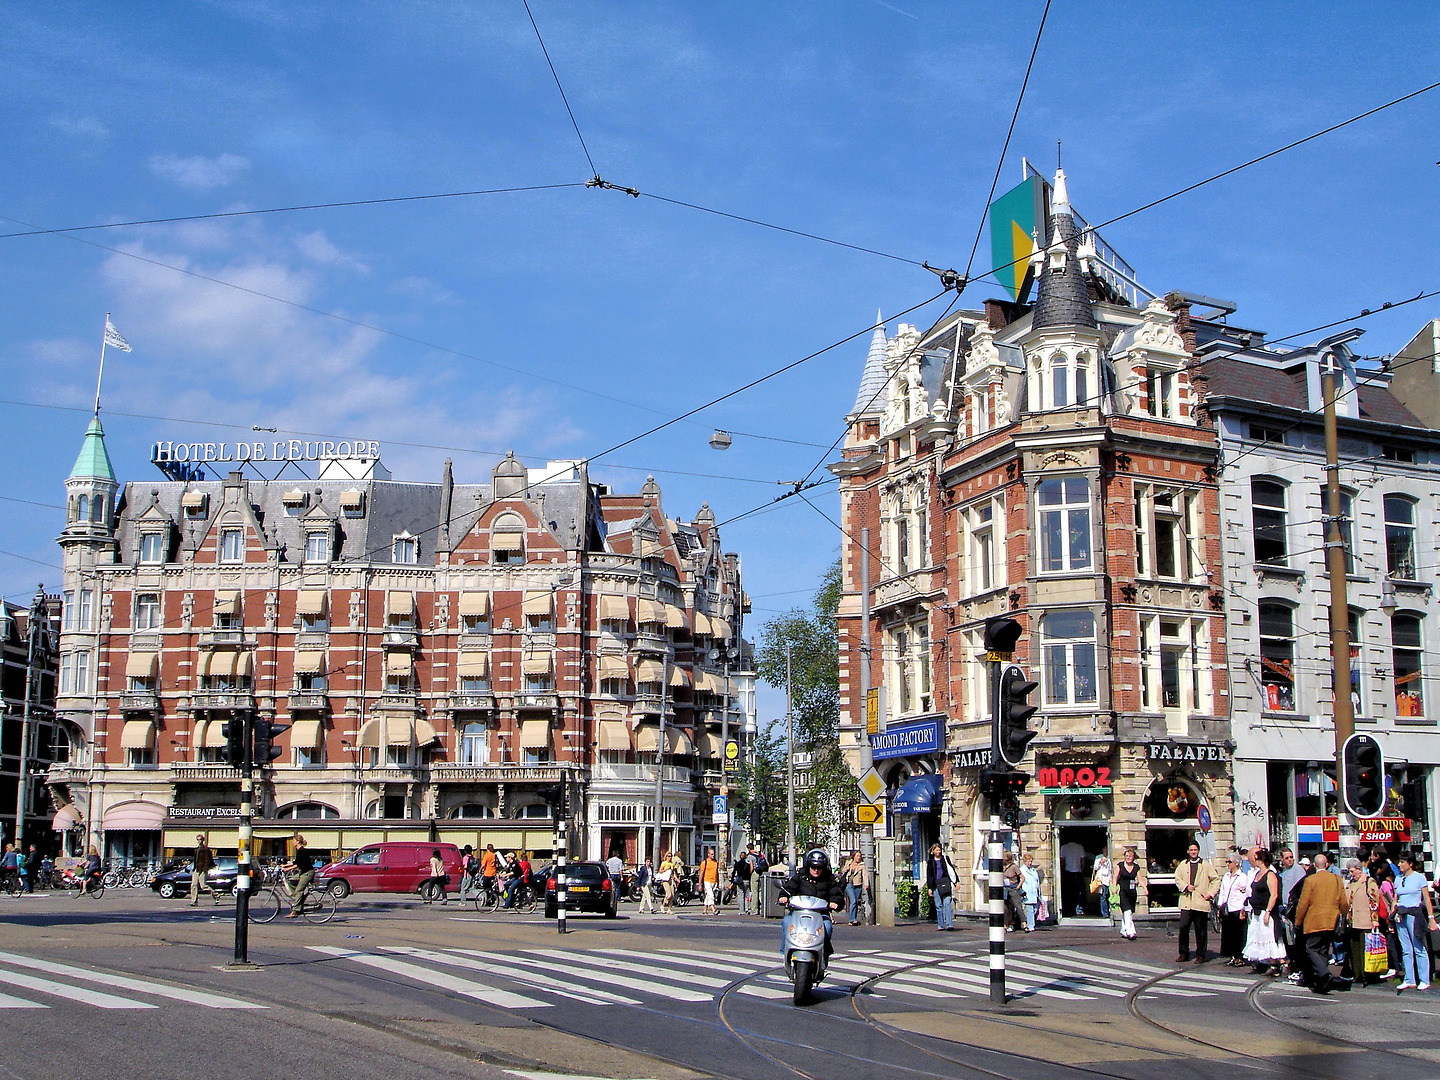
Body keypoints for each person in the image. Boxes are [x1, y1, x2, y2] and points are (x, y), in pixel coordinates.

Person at [1294, 852, 1348, 993]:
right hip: (1331, 920)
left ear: (1314, 865)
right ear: (1327, 864)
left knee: (1311, 948)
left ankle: (1324, 974)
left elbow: (1303, 903)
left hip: (1315, 920)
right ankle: (1322, 983)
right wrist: (1343, 915)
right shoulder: (1336, 879)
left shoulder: (1311, 880)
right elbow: (1343, 902)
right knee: (1323, 950)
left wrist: (1298, 921)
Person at [778, 849, 844, 958]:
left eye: (820, 867)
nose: (816, 870)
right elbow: (788, 889)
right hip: (798, 913)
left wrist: (835, 902)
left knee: (827, 926)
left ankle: (824, 953)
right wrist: (783, 897)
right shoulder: (800, 877)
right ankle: (786, 950)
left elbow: (837, 895)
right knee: (787, 922)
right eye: (813, 867)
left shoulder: (829, 880)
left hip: (820, 914)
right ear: (808, 866)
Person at [1392, 850, 1438, 992]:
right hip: (1401, 915)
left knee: (1419, 947)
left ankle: (1424, 979)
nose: (1399, 865)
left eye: (1402, 862)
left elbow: (1426, 898)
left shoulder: (1419, 878)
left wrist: (1431, 918)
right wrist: (1392, 915)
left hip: (1414, 914)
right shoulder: (1398, 878)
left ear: (1410, 864)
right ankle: (1409, 979)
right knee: (1406, 949)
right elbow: (1395, 898)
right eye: (1399, 862)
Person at [1242, 848, 1288, 976]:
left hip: (1266, 912)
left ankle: (1283, 963)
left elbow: (1274, 895)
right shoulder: (1257, 874)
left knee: (1270, 938)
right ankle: (1272, 964)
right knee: (1262, 937)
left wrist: (1268, 911)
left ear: (1261, 860)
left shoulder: (1270, 874)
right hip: (1256, 911)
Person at [1175, 842, 1218, 963]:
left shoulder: (1205, 865)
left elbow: (1216, 880)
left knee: (1201, 930)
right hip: (1186, 901)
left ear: (1198, 851)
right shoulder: (1183, 864)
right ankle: (1183, 953)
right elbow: (1177, 878)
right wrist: (1185, 886)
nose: (1193, 852)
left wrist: (1210, 893)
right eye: (1191, 850)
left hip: (1200, 901)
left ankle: (1201, 954)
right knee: (1183, 928)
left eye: (1195, 850)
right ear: (1188, 851)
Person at [1342, 858, 1382, 987]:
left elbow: (1374, 902)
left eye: (1352, 871)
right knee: (1354, 949)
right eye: (1349, 871)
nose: (1351, 874)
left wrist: (1375, 920)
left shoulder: (1369, 882)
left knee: (1365, 949)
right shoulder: (1350, 883)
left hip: (1365, 920)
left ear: (1359, 869)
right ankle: (1357, 974)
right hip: (1353, 921)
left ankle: (1368, 975)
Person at [1216, 855, 1251, 965]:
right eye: (1226, 861)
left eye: (1230, 862)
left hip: (1237, 908)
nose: (1227, 864)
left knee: (1239, 934)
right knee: (1228, 934)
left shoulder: (1242, 876)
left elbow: (1245, 893)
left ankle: (1239, 956)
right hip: (1227, 908)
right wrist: (1220, 906)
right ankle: (1231, 955)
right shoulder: (1226, 876)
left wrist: (1243, 908)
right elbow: (1223, 891)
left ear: (1236, 863)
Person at [925, 842, 959, 932]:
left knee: (947, 903)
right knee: (939, 905)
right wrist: (929, 888)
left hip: (946, 883)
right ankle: (940, 925)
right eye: (936, 850)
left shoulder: (945, 859)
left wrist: (956, 882)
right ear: (933, 851)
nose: (938, 852)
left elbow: (951, 870)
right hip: (936, 885)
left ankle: (949, 924)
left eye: (939, 850)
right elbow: (929, 875)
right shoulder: (930, 862)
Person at [1116, 848, 1145, 940]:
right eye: (1127, 856)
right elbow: (1115, 877)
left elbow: (1140, 879)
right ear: (1124, 857)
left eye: (1131, 856)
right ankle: (1130, 932)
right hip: (1123, 891)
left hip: (1132, 892)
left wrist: (1145, 888)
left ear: (1134, 857)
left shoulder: (1136, 867)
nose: (1129, 858)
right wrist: (1114, 887)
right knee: (1127, 911)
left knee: (1129, 912)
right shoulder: (1120, 866)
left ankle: (1123, 930)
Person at [283, 834, 315, 918]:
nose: (292, 842)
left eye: (293, 841)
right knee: (290, 880)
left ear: (297, 842)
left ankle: (295, 911)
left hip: (307, 873)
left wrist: (288, 869)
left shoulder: (302, 851)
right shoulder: (299, 851)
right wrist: (284, 865)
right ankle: (299, 899)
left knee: (299, 890)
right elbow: (295, 862)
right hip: (302, 872)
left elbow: (299, 864)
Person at [1059, 838, 1088, 917]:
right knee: (1079, 892)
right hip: (1078, 872)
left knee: (1068, 892)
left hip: (1068, 872)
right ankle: (1079, 909)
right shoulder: (1080, 847)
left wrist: (1062, 870)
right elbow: (1083, 860)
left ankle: (1068, 909)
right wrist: (1082, 870)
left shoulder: (1064, 847)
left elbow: (1061, 860)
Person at [189, 834, 220, 906]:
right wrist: (194, 868)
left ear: (203, 840)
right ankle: (194, 901)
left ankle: (216, 895)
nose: (199, 841)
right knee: (194, 885)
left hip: (203, 869)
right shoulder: (196, 850)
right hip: (196, 869)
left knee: (203, 886)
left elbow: (208, 860)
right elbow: (196, 860)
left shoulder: (206, 849)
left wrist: (205, 869)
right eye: (198, 839)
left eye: (200, 839)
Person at [840, 851, 867, 925]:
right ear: (854, 856)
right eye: (857, 856)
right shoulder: (848, 862)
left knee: (855, 902)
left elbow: (864, 875)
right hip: (849, 884)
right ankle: (852, 919)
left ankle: (853, 919)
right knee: (853, 901)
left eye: (860, 856)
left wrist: (866, 884)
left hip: (858, 884)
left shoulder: (862, 865)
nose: (859, 857)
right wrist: (847, 869)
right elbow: (843, 871)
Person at [1002, 852, 1026, 931]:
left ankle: (1024, 924)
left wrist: (1018, 887)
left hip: (1013, 888)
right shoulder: (1002, 866)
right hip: (1005, 889)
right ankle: (1005, 925)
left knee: (1018, 906)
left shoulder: (1014, 867)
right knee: (1005, 908)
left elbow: (1022, 878)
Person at [1019, 853, 1041, 932]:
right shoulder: (1022, 870)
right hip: (1027, 892)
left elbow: (1037, 881)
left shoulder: (1033, 870)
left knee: (1035, 909)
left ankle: (1029, 923)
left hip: (1034, 892)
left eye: (1031, 861)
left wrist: (1039, 891)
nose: (1030, 863)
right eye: (1028, 861)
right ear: (1024, 861)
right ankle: (1030, 925)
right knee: (1030, 909)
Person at [1091, 851, 1113, 921]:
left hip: (1109, 879)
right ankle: (1105, 913)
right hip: (1101, 880)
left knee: (1110, 896)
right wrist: (1100, 862)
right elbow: (1095, 868)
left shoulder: (1110, 857)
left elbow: (1111, 868)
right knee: (1103, 896)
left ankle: (1111, 911)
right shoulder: (1098, 857)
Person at [698, 847, 720, 915]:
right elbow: (701, 873)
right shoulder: (705, 862)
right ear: (708, 854)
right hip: (707, 880)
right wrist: (700, 884)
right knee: (711, 895)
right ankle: (713, 909)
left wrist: (718, 882)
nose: (713, 855)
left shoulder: (716, 862)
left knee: (708, 896)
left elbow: (717, 872)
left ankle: (705, 910)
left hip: (714, 881)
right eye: (711, 854)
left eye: (713, 854)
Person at [733, 850, 754, 915]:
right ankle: (748, 908)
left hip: (740, 881)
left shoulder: (738, 863)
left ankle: (742, 910)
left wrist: (732, 880)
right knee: (747, 895)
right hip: (747, 880)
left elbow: (734, 872)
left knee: (740, 895)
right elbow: (751, 870)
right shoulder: (748, 863)